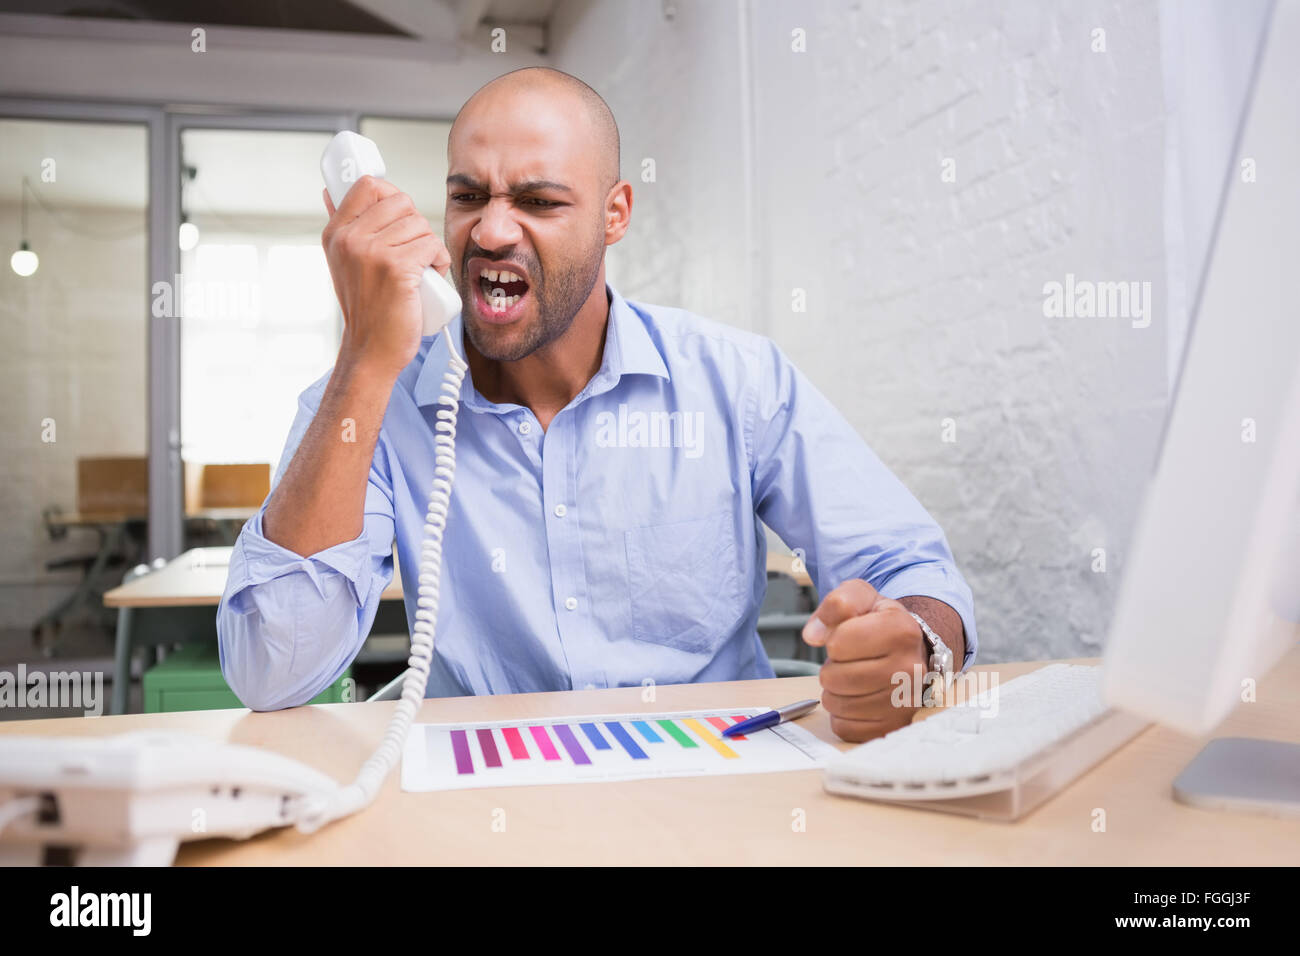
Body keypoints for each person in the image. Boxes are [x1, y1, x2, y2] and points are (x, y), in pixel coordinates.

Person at [216, 67, 977, 743]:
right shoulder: (365, 400)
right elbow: (271, 669)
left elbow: (912, 567)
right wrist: (364, 358)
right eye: (467, 196)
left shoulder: (734, 380)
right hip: (479, 800)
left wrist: (916, 646)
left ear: (614, 215)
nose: (491, 229)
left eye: (538, 200)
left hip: (711, 783)